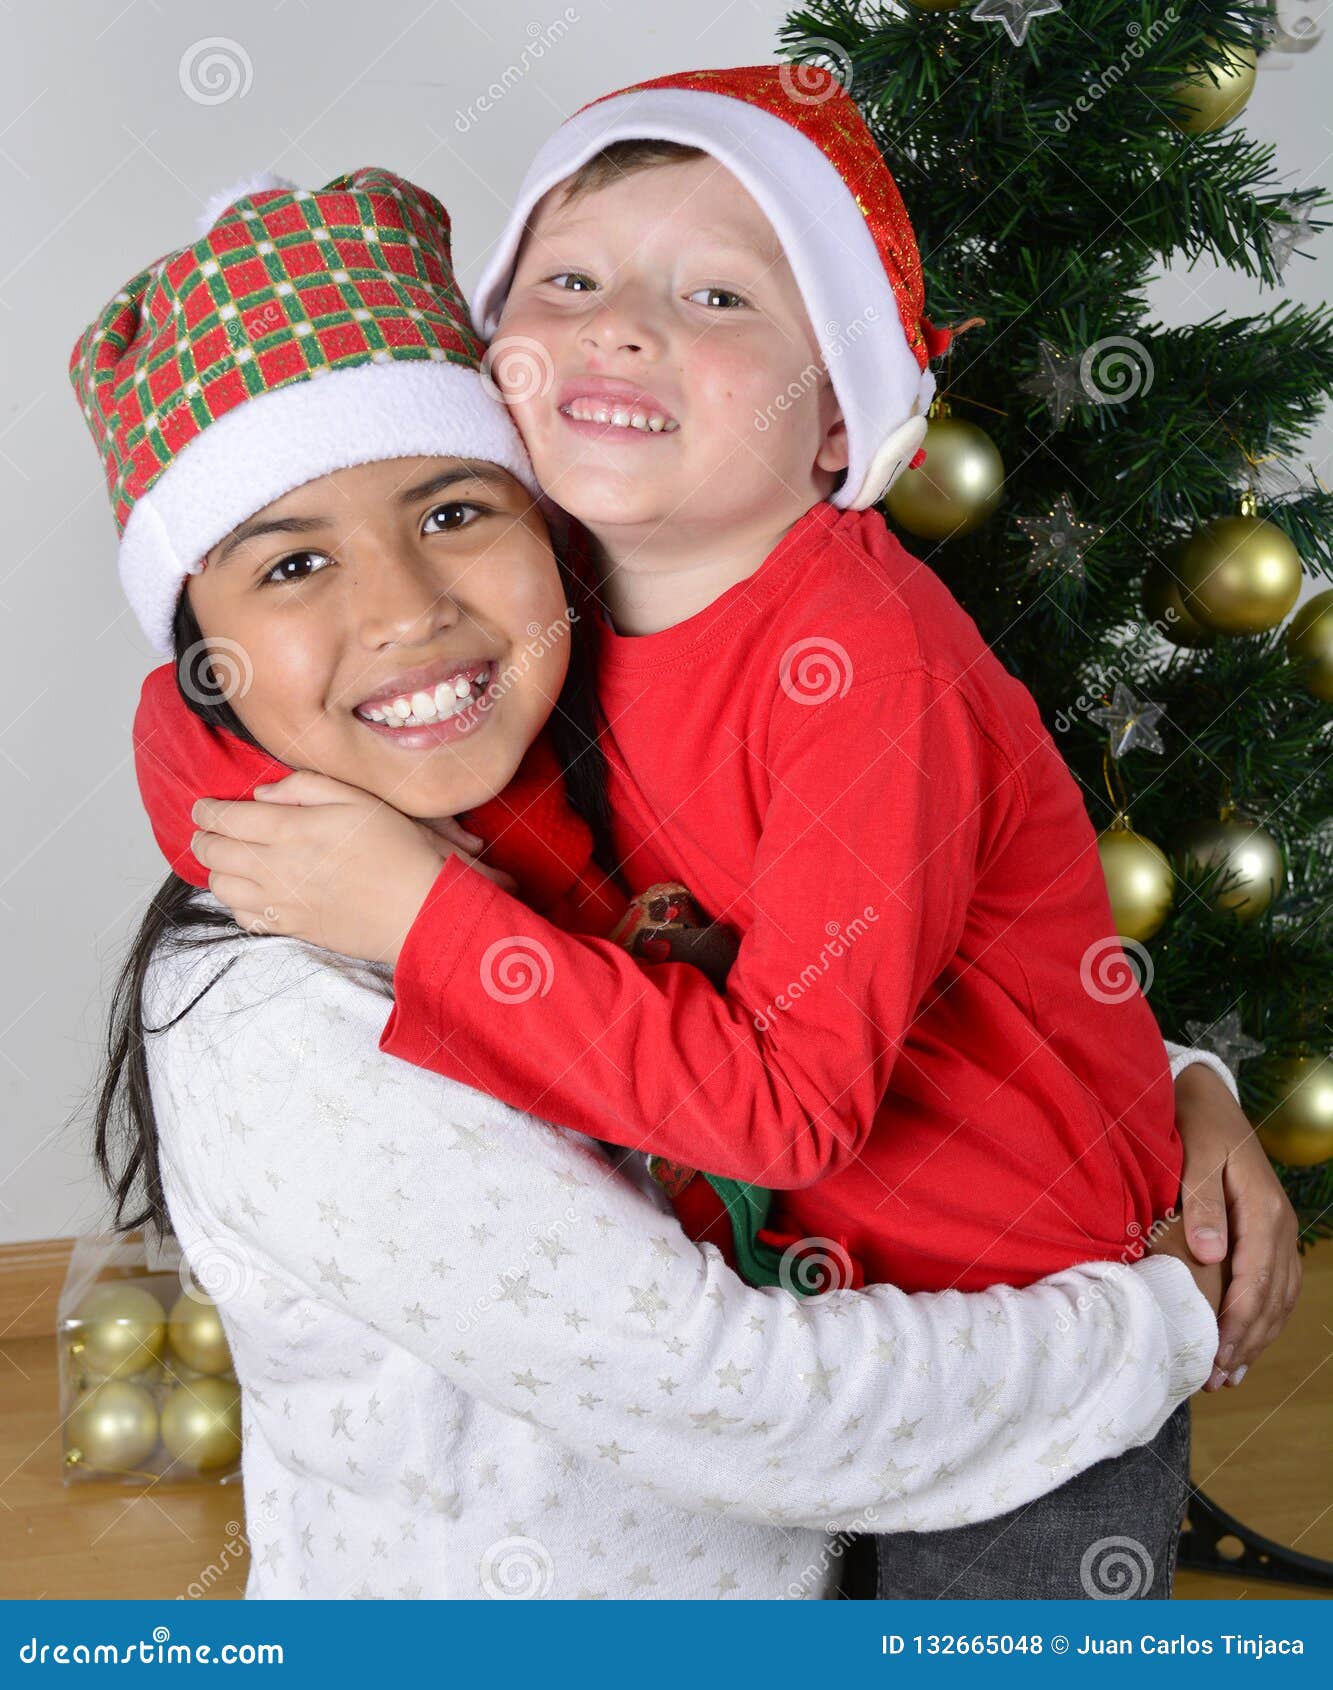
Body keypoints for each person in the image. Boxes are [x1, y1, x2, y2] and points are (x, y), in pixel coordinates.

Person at [180, 74, 1302, 1598]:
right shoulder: (528, 599)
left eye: (715, 294)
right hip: (818, 1314)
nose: (620, 324)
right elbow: (189, 696)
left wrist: (419, 919)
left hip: (1026, 1357)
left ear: (838, 411)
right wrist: (225, 802)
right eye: (569, 280)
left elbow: (787, 1110)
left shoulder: (861, 669)